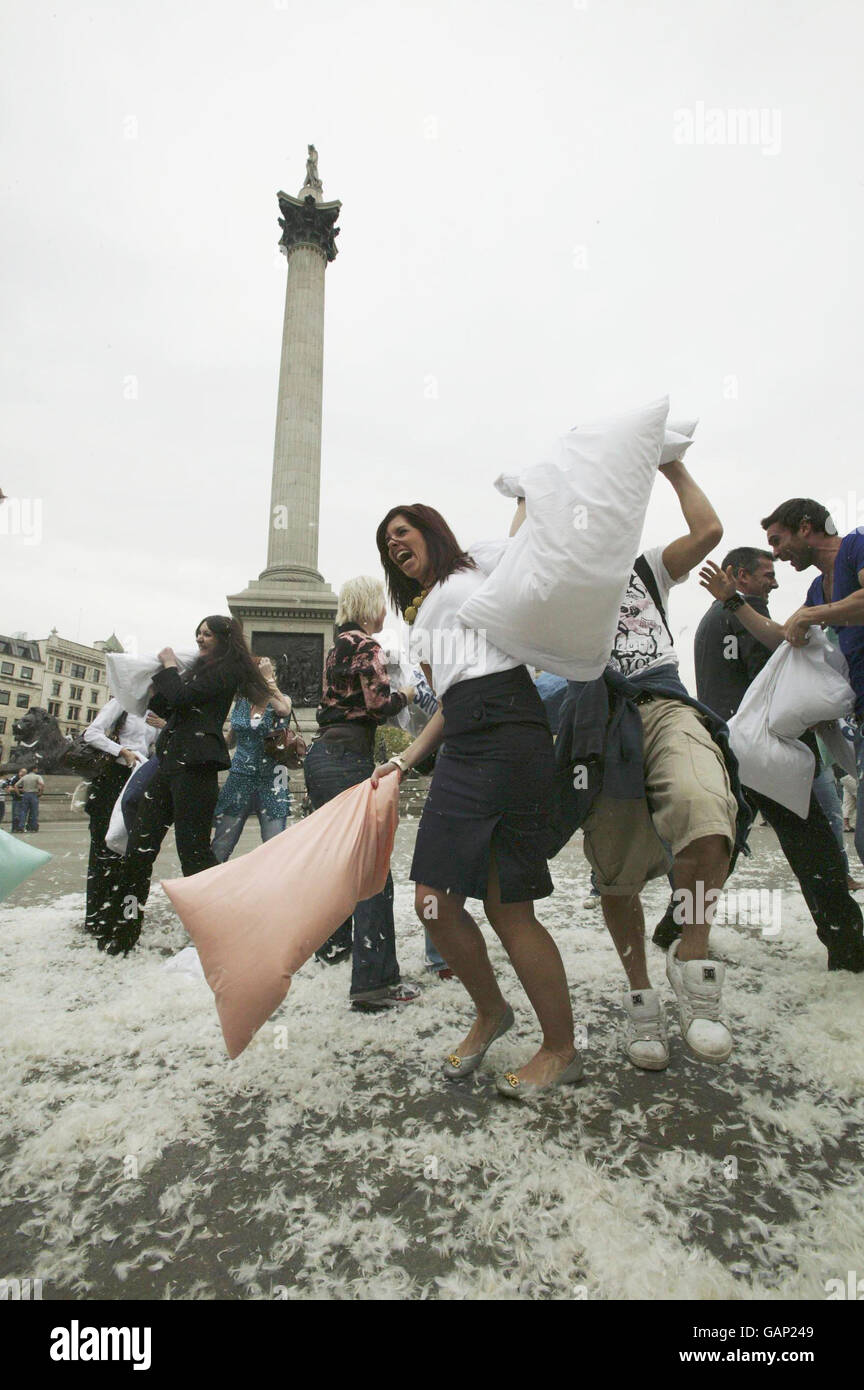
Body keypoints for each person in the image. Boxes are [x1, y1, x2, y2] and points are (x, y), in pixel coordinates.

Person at [373, 505, 579, 1097]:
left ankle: (562, 1049)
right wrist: (404, 760)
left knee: (507, 906)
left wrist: (527, 492)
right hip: (463, 739)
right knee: (432, 903)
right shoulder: (426, 611)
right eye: (386, 543)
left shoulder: (475, 565)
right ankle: (492, 1012)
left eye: (401, 533)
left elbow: (526, 542)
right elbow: (447, 700)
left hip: (509, 728)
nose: (393, 546)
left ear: (431, 532)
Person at [553, 460, 747, 1071]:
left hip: (664, 702)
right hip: (598, 719)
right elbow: (514, 557)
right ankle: (642, 995)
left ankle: (692, 958)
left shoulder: (647, 568)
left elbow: (711, 530)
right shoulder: (558, 585)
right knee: (617, 873)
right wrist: (534, 494)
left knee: (707, 810)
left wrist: (674, 465)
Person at [697, 550, 864, 971]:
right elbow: (781, 681)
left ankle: (677, 927)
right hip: (769, 752)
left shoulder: (709, 621)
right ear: (739, 577)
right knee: (816, 851)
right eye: (766, 574)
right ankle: (848, 948)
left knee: (722, 850)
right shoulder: (749, 611)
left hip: (727, 746)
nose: (773, 583)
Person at [98, 616, 271, 956]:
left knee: (193, 855)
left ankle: (220, 929)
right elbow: (171, 704)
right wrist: (154, 688)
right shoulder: (197, 670)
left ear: (225, 638)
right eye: (198, 632)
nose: (200, 638)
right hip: (168, 764)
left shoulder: (228, 670)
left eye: (207, 633)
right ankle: (124, 930)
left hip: (196, 767)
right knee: (139, 851)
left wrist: (167, 666)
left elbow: (180, 696)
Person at [303, 576, 422, 1011]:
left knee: (340, 863)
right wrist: (406, 692)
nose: (386, 613)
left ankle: (334, 947)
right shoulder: (368, 646)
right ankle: (375, 982)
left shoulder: (336, 647)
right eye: (382, 604)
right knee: (373, 873)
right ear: (370, 605)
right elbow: (378, 704)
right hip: (347, 759)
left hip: (322, 757)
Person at [760, 498, 864, 878]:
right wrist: (734, 603)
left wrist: (812, 615)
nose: (776, 552)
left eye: (777, 539)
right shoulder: (820, 588)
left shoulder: (857, 545)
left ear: (806, 527)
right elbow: (784, 638)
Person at [81, 698, 165, 935]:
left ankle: (117, 913)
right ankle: (95, 915)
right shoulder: (122, 702)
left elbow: (158, 747)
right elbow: (92, 733)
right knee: (101, 850)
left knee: (127, 849)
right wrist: (122, 751)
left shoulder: (157, 709)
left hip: (137, 779)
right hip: (113, 777)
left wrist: (165, 726)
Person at [210, 657, 294, 861]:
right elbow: (230, 740)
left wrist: (268, 682)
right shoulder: (241, 703)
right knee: (221, 845)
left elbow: (284, 711)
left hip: (272, 780)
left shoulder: (282, 701)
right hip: (239, 779)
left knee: (275, 848)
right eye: (260, 672)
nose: (263, 677)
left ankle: (273, 890)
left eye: (269, 672)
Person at [14, 768, 45, 832]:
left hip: (25, 794)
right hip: (33, 794)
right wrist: (40, 792)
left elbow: (16, 785)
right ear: (34, 770)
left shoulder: (25, 777)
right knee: (34, 811)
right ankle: (33, 827)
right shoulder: (37, 776)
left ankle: (21, 826)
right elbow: (42, 784)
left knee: (23, 811)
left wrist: (19, 794)